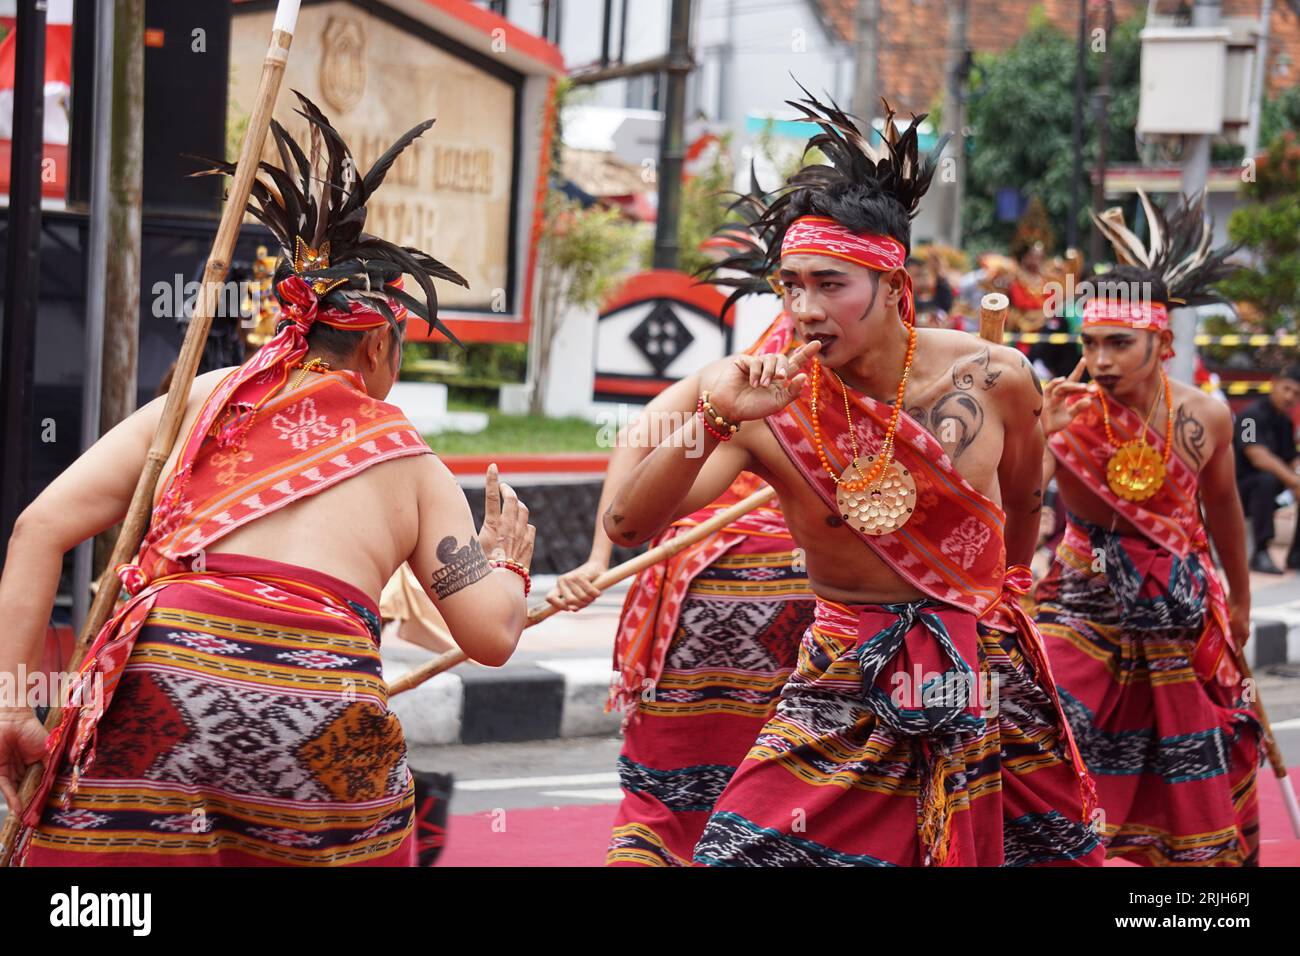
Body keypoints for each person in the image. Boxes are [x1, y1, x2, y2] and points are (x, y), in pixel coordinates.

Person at [0, 95, 534, 866]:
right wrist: (506, 559)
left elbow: (35, 529)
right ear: (380, 346)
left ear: (295, 326)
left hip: (164, 678)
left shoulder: (201, 399)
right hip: (319, 706)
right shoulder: (408, 458)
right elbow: (490, 633)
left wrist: (14, 704)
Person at [601, 86, 1102, 867]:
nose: (804, 307)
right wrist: (717, 418)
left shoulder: (996, 377)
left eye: (830, 284)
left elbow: (1026, 500)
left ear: (894, 285)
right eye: (791, 285)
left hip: (983, 675)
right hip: (841, 676)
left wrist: (1002, 597)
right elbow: (628, 528)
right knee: (741, 854)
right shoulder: (760, 404)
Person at [1034, 192, 1261, 866]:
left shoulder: (1206, 418)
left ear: (1160, 342)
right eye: (1091, 343)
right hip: (1082, 601)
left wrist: (1240, 602)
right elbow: (1016, 500)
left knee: (1194, 759)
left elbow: (1224, 510)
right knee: (1043, 732)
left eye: (1119, 343)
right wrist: (1040, 437)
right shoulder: (1066, 414)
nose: (1101, 360)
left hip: (1178, 611)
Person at [549, 315, 815, 867]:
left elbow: (637, 440)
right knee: (780, 794)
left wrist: (599, 559)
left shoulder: (722, 375)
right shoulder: (885, 389)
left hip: (690, 588)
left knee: (662, 802)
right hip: (802, 602)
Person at [1233, 366, 1300, 574]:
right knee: (1266, 479)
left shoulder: (1285, 422)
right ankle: (1261, 551)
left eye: (1296, 393)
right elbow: (1257, 456)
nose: (1289, 396)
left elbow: (1291, 458)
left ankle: (1297, 554)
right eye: (1286, 389)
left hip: (1270, 490)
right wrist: (1294, 481)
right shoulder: (1248, 417)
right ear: (1274, 384)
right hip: (1238, 490)